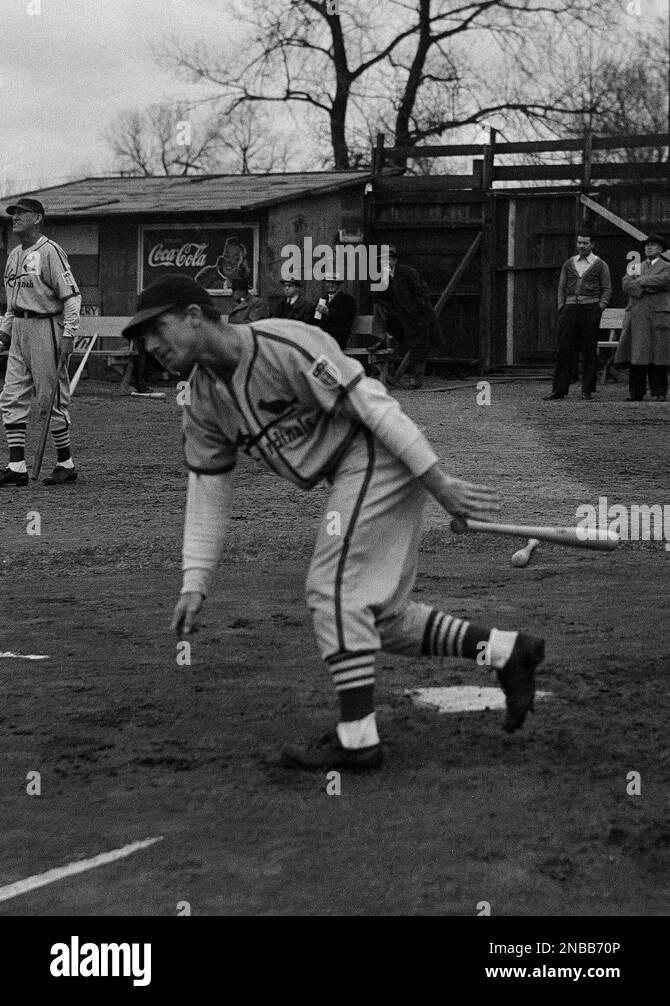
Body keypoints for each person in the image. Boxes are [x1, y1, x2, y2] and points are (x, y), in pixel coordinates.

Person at [122, 274, 545, 772]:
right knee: (376, 617)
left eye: (157, 328)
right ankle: (506, 651)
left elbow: (374, 404)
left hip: (380, 454)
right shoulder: (203, 400)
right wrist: (195, 582)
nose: (150, 345)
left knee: (332, 590)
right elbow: (207, 490)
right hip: (350, 472)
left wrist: (439, 483)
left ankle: (357, 740)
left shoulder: (284, 342)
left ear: (194, 315)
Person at [0, 197, 81, 485]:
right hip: (20, 327)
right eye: (14, 214)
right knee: (10, 395)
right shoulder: (13, 255)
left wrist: (69, 334)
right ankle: (17, 466)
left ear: (37, 218)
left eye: (21, 213)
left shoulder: (50, 251)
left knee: (50, 397)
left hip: (46, 325)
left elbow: (72, 297)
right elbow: (11, 304)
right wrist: (5, 331)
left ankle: (65, 463)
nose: (15, 217)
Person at [544, 232, 611, 402]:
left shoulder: (600, 264)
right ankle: (559, 390)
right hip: (570, 309)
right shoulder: (569, 264)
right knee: (564, 349)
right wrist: (562, 307)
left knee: (589, 350)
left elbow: (607, 289)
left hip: (590, 309)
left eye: (585, 243)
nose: (581, 246)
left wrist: (599, 308)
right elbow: (561, 287)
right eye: (579, 242)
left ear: (592, 244)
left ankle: (587, 390)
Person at [615, 232, 670, 400]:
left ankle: (659, 392)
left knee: (658, 355)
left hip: (657, 315)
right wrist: (644, 288)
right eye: (647, 245)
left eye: (653, 245)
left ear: (661, 249)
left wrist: (640, 281)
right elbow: (626, 283)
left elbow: (665, 280)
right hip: (637, 316)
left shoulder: (667, 266)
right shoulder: (636, 266)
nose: (649, 247)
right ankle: (636, 393)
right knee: (637, 355)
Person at [376, 246, 436, 389]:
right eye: (383, 261)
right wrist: (392, 312)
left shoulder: (408, 273)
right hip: (398, 318)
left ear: (394, 261)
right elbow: (379, 297)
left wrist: (415, 311)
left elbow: (422, 293)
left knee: (418, 347)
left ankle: (416, 380)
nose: (386, 263)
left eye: (389, 260)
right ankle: (389, 374)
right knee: (391, 340)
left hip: (415, 317)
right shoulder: (383, 277)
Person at [312, 277, 356, 351]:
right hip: (323, 337)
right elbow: (316, 320)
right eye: (328, 282)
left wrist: (328, 312)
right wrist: (315, 311)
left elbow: (347, 320)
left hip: (338, 338)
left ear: (338, 284)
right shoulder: (323, 299)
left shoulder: (347, 299)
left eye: (333, 283)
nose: (331, 285)